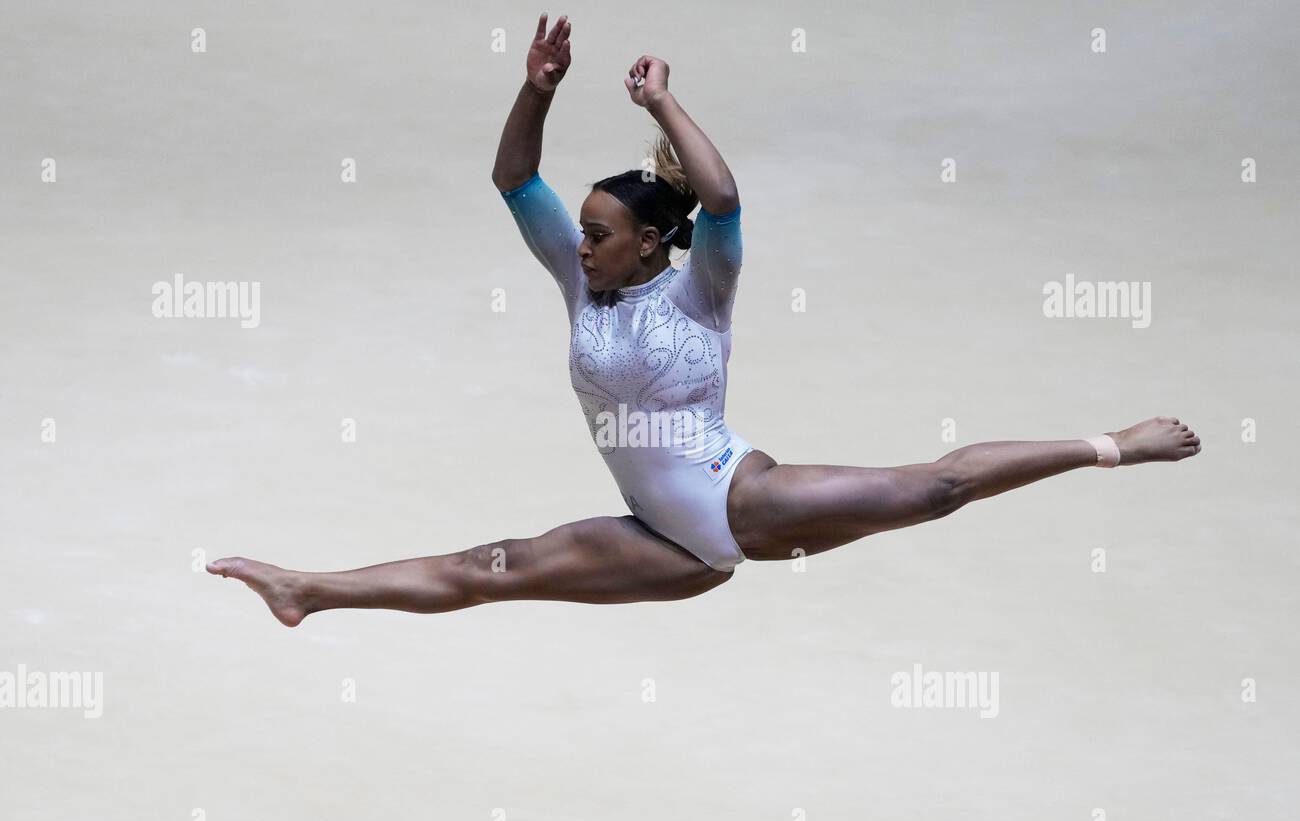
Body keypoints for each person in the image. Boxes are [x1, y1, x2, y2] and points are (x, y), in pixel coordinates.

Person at [208, 13, 1200, 626]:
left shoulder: (699, 287)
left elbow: (722, 200)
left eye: (598, 234)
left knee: (932, 488)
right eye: (581, 233)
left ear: (649, 245)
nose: (580, 245)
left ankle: (1111, 444)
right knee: (483, 571)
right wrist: (536, 88)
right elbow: (512, 177)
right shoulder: (578, 278)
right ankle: (308, 590)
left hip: (739, 502)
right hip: (664, 546)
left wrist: (669, 103)